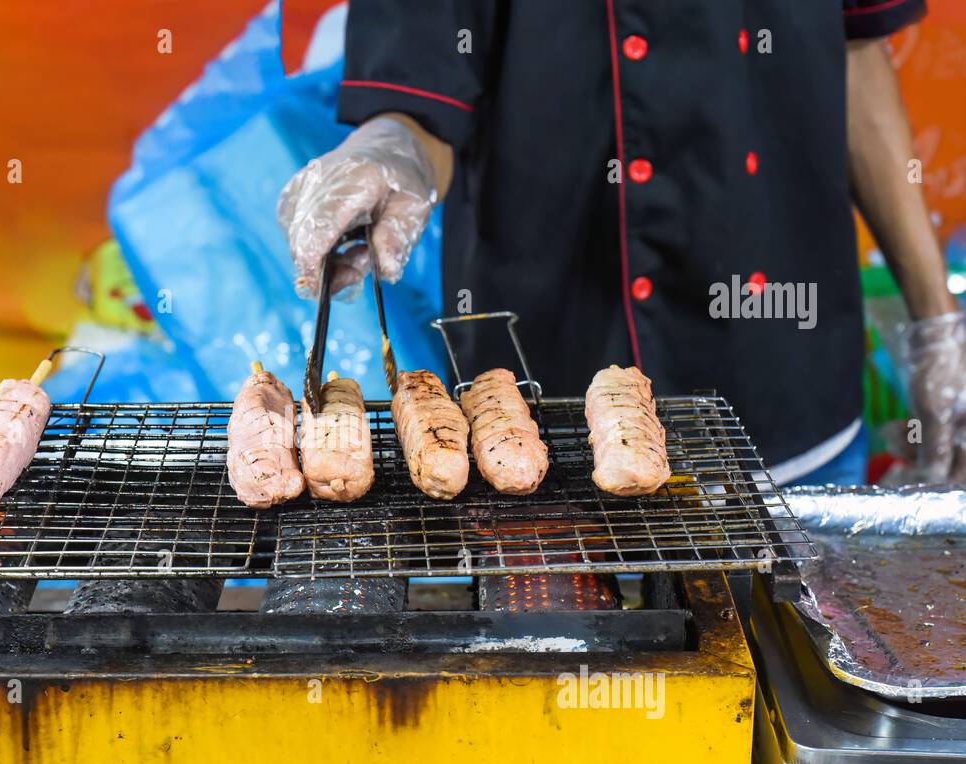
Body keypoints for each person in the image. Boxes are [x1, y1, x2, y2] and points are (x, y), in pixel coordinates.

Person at [277, 0, 964, 485]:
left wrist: (937, 325)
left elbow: (858, 52)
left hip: (787, 370)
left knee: (802, 681)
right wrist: (392, 148)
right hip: (542, 391)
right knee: (555, 677)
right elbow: (421, 89)